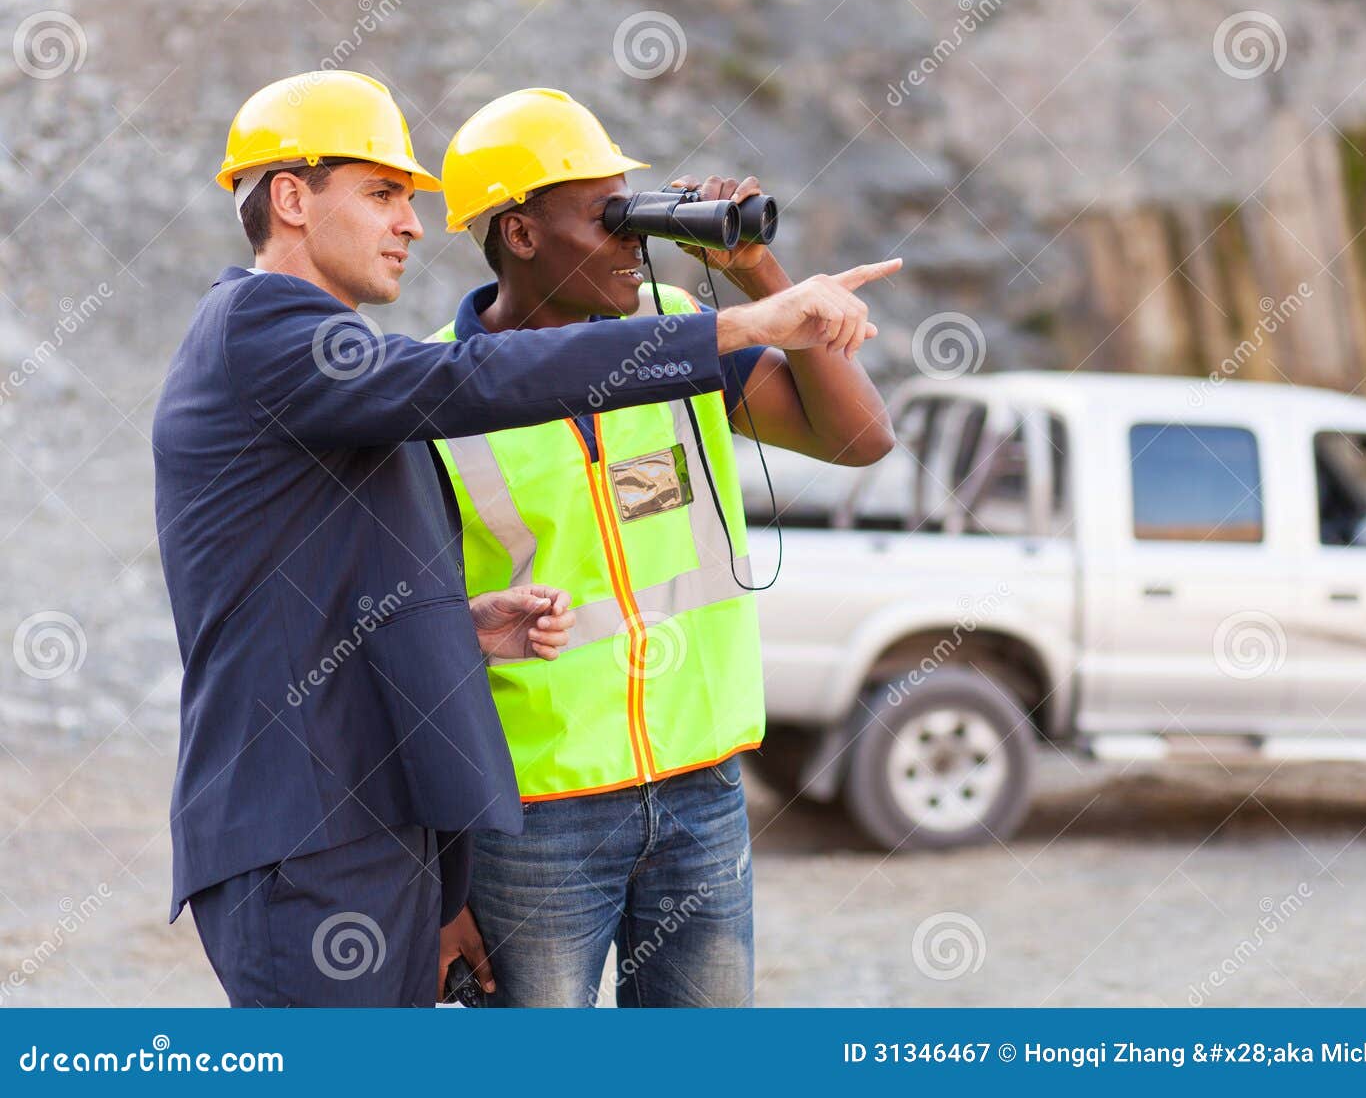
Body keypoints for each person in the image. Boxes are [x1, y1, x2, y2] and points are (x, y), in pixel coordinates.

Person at [153, 72, 886, 1007]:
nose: (413, 224)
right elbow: (475, 382)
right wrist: (738, 323)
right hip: (321, 831)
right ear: (290, 198)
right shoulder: (270, 330)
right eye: (383, 194)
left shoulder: (342, 370)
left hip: (398, 828)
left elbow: (334, 590)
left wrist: (458, 624)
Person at [426, 88, 897, 1006]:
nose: (632, 236)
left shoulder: (680, 327)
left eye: (634, 209)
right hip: (534, 821)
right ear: (519, 234)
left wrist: (761, 273)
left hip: (701, 794)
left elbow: (861, 439)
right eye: (607, 216)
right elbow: (411, 649)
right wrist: (441, 883)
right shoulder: (435, 391)